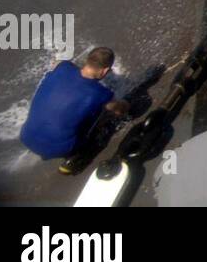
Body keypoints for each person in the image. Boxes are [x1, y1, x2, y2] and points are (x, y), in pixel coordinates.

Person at [20, 46, 129, 174]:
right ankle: (75, 159)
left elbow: (57, 63)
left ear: (87, 61)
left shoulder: (63, 67)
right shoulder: (101, 94)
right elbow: (119, 111)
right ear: (105, 71)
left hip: (26, 135)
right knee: (103, 119)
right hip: (60, 149)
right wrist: (125, 103)